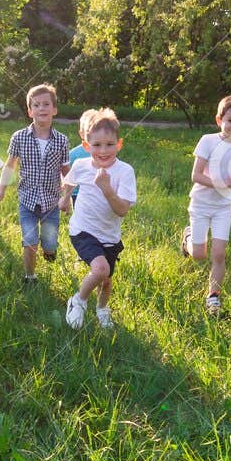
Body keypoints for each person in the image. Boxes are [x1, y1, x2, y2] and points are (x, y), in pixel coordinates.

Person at [60, 108, 137, 330]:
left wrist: (107, 190)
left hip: (110, 235)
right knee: (101, 269)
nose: (103, 151)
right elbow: (70, 182)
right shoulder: (81, 165)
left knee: (106, 280)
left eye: (109, 145)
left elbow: (122, 210)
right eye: (97, 145)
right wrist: (65, 199)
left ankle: (102, 310)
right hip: (82, 229)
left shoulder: (124, 172)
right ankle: (78, 301)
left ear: (119, 144)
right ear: (86, 146)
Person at [180, 92, 231, 316]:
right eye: (230, 120)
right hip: (201, 204)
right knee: (199, 255)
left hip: (224, 206)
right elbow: (196, 175)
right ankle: (188, 239)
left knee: (219, 254)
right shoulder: (207, 141)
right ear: (219, 120)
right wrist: (221, 183)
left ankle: (213, 297)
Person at [0, 84, 70, 287]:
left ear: (54, 109)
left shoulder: (62, 141)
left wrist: (67, 196)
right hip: (27, 200)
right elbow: (10, 166)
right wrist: (1, 189)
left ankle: (50, 251)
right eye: (36, 105)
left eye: (46, 104)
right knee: (29, 241)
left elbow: (66, 172)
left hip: (51, 202)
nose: (41, 108)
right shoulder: (19, 137)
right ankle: (30, 277)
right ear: (30, 111)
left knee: (50, 243)